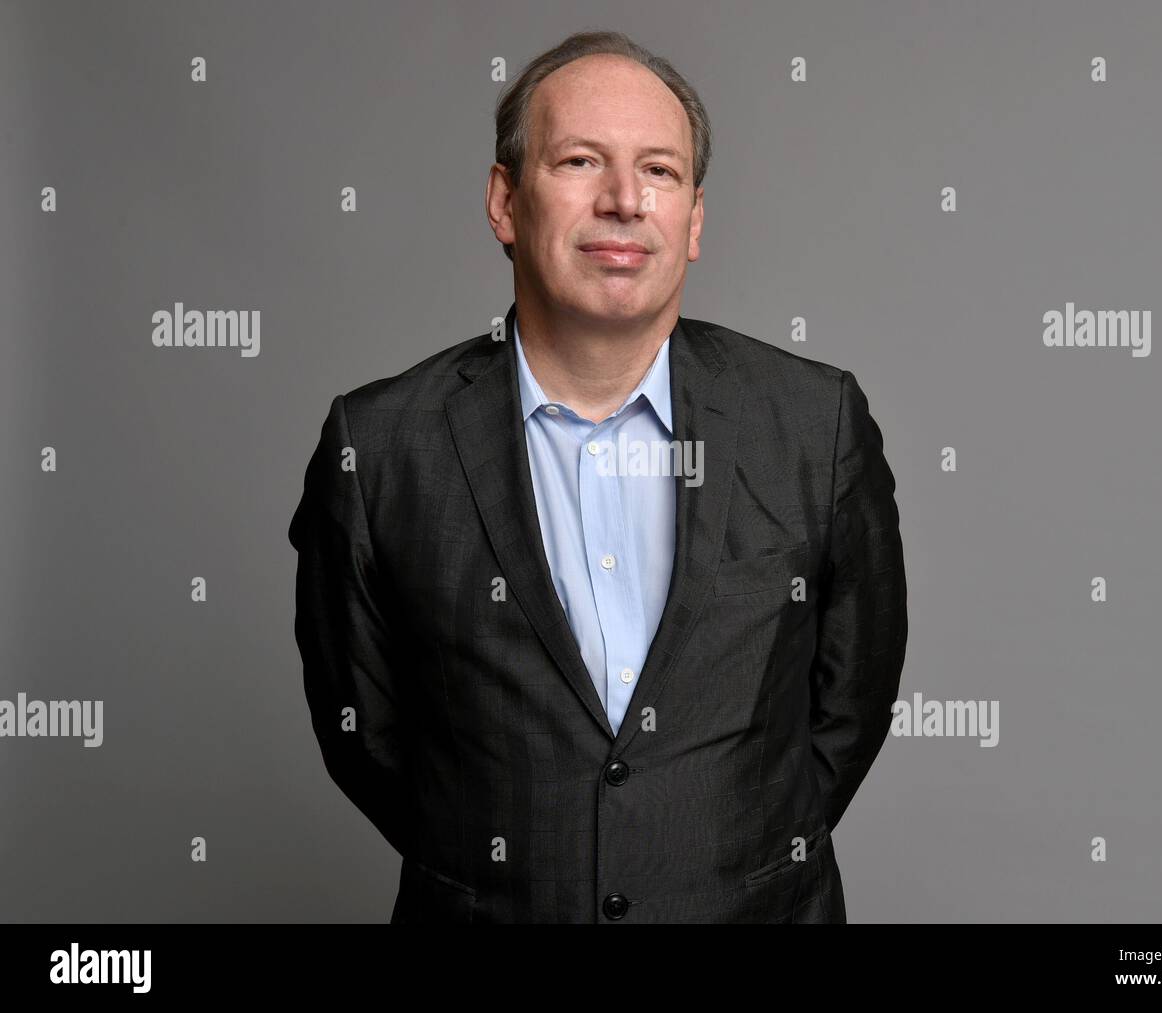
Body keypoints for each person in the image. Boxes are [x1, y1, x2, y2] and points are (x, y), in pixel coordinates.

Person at [288, 29, 908, 924]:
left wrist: (723, 844)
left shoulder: (818, 424)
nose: (625, 200)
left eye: (660, 171)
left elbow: (849, 709)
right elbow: (366, 737)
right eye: (581, 161)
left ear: (693, 220)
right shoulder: (379, 446)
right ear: (505, 200)